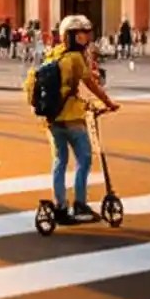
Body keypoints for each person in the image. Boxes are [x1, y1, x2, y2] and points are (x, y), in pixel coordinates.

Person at [25, 14, 120, 225]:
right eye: (82, 33)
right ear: (72, 36)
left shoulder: (53, 55)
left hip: (51, 119)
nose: (86, 37)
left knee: (59, 161)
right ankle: (80, 204)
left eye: (87, 33)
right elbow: (91, 85)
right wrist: (109, 103)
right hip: (72, 119)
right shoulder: (76, 58)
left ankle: (59, 207)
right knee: (84, 159)